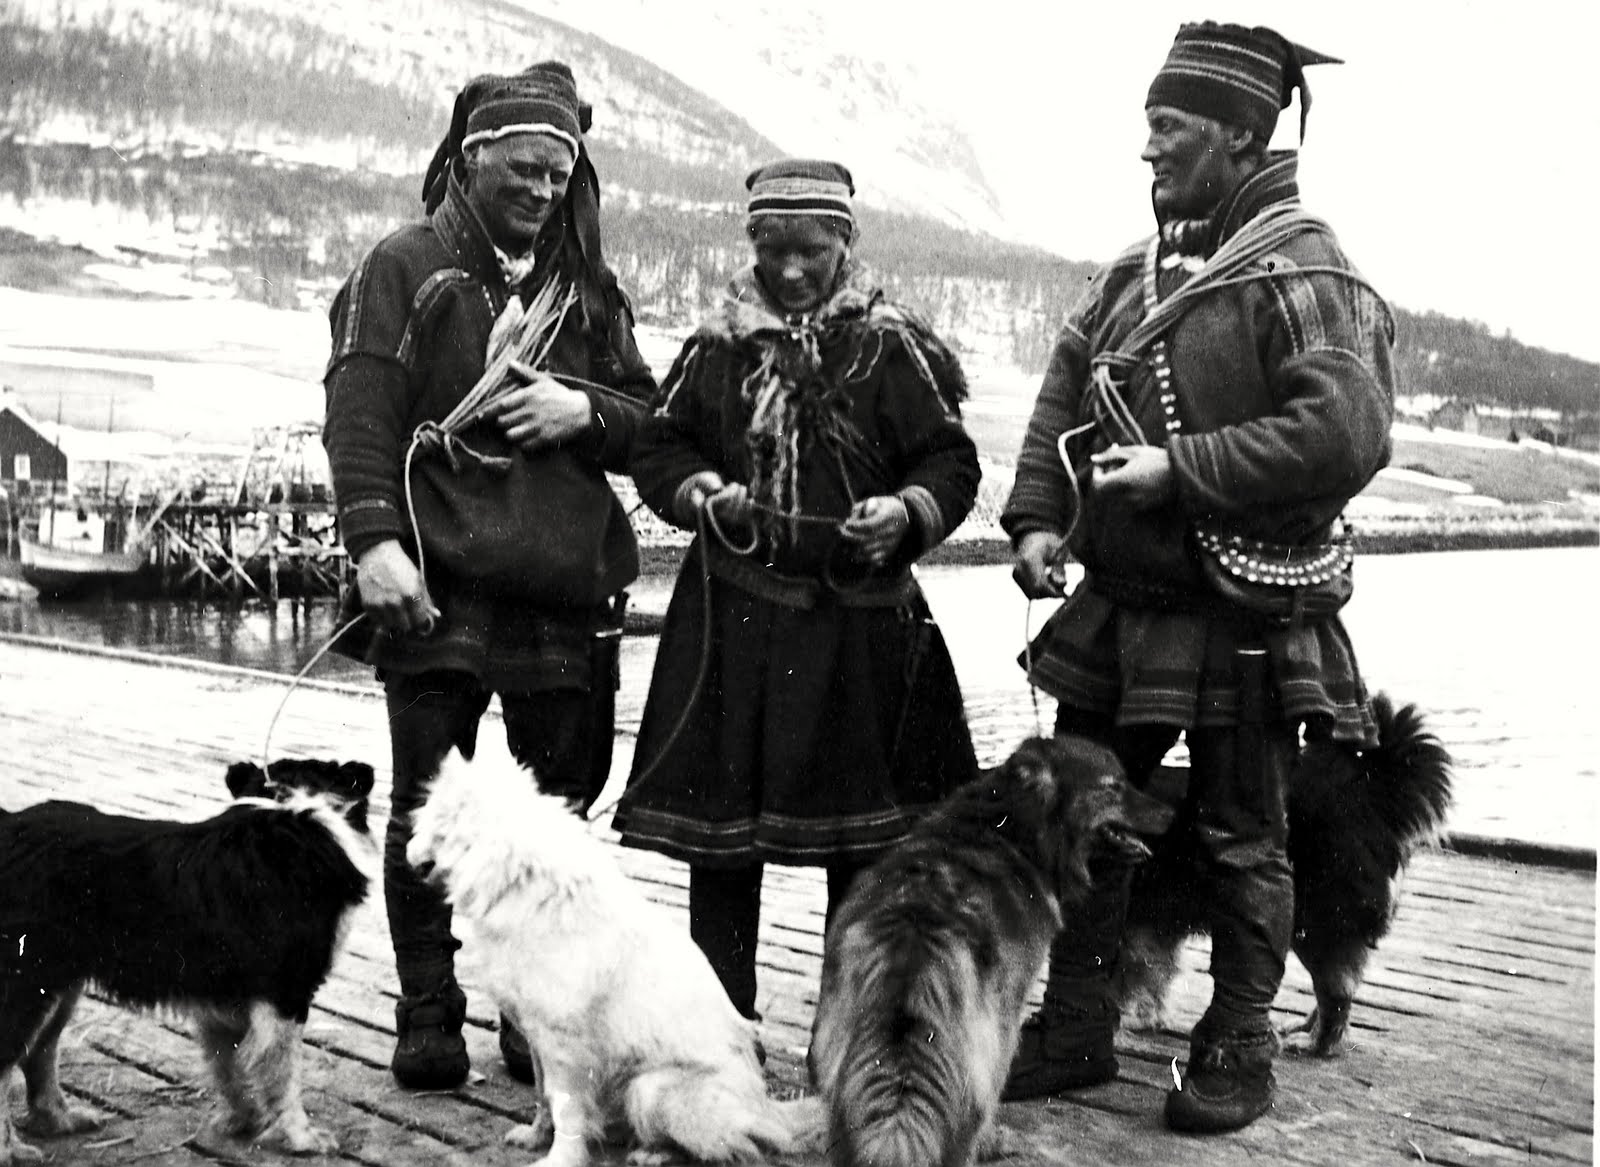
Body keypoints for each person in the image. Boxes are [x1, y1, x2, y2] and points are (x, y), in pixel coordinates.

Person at [1000, 23, 1396, 1133]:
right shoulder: (1130, 274)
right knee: (1080, 818)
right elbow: (1060, 396)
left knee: (1238, 836)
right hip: (1123, 613)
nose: (1149, 152)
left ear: (1237, 134)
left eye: (1168, 129)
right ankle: (1075, 1031)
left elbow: (1347, 434)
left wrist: (1183, 469)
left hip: (1249, 611)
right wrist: (1038, 518)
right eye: (1148, 129)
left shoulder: (1311, 275)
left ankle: (1237, 1044)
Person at [321, 61, 655, 1090]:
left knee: (557, 813)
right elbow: (361, 411)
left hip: (558, 585)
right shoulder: (403, 267)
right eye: (523, 168)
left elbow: (651, 423)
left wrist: (582, 411)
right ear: (470, 159)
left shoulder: (588, 295)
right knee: (432, 810)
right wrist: (375, 542)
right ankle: (429, 1008)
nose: (544, 191)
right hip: (436, 578)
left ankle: (532, 1009)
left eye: (560, 175)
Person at [611, 159, 981, 1026]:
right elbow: (661, 449)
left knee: (864, 852)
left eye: (809, 250)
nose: (788, 269)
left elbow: (950, 459)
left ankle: (847, 1031)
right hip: (734, 626)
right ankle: (721, 1033)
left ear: (844, 244)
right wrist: (700, 488)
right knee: (725, 853)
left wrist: (906, 509)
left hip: (860, 633)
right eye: (771, 249)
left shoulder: (891, 348)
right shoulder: (716, 348)